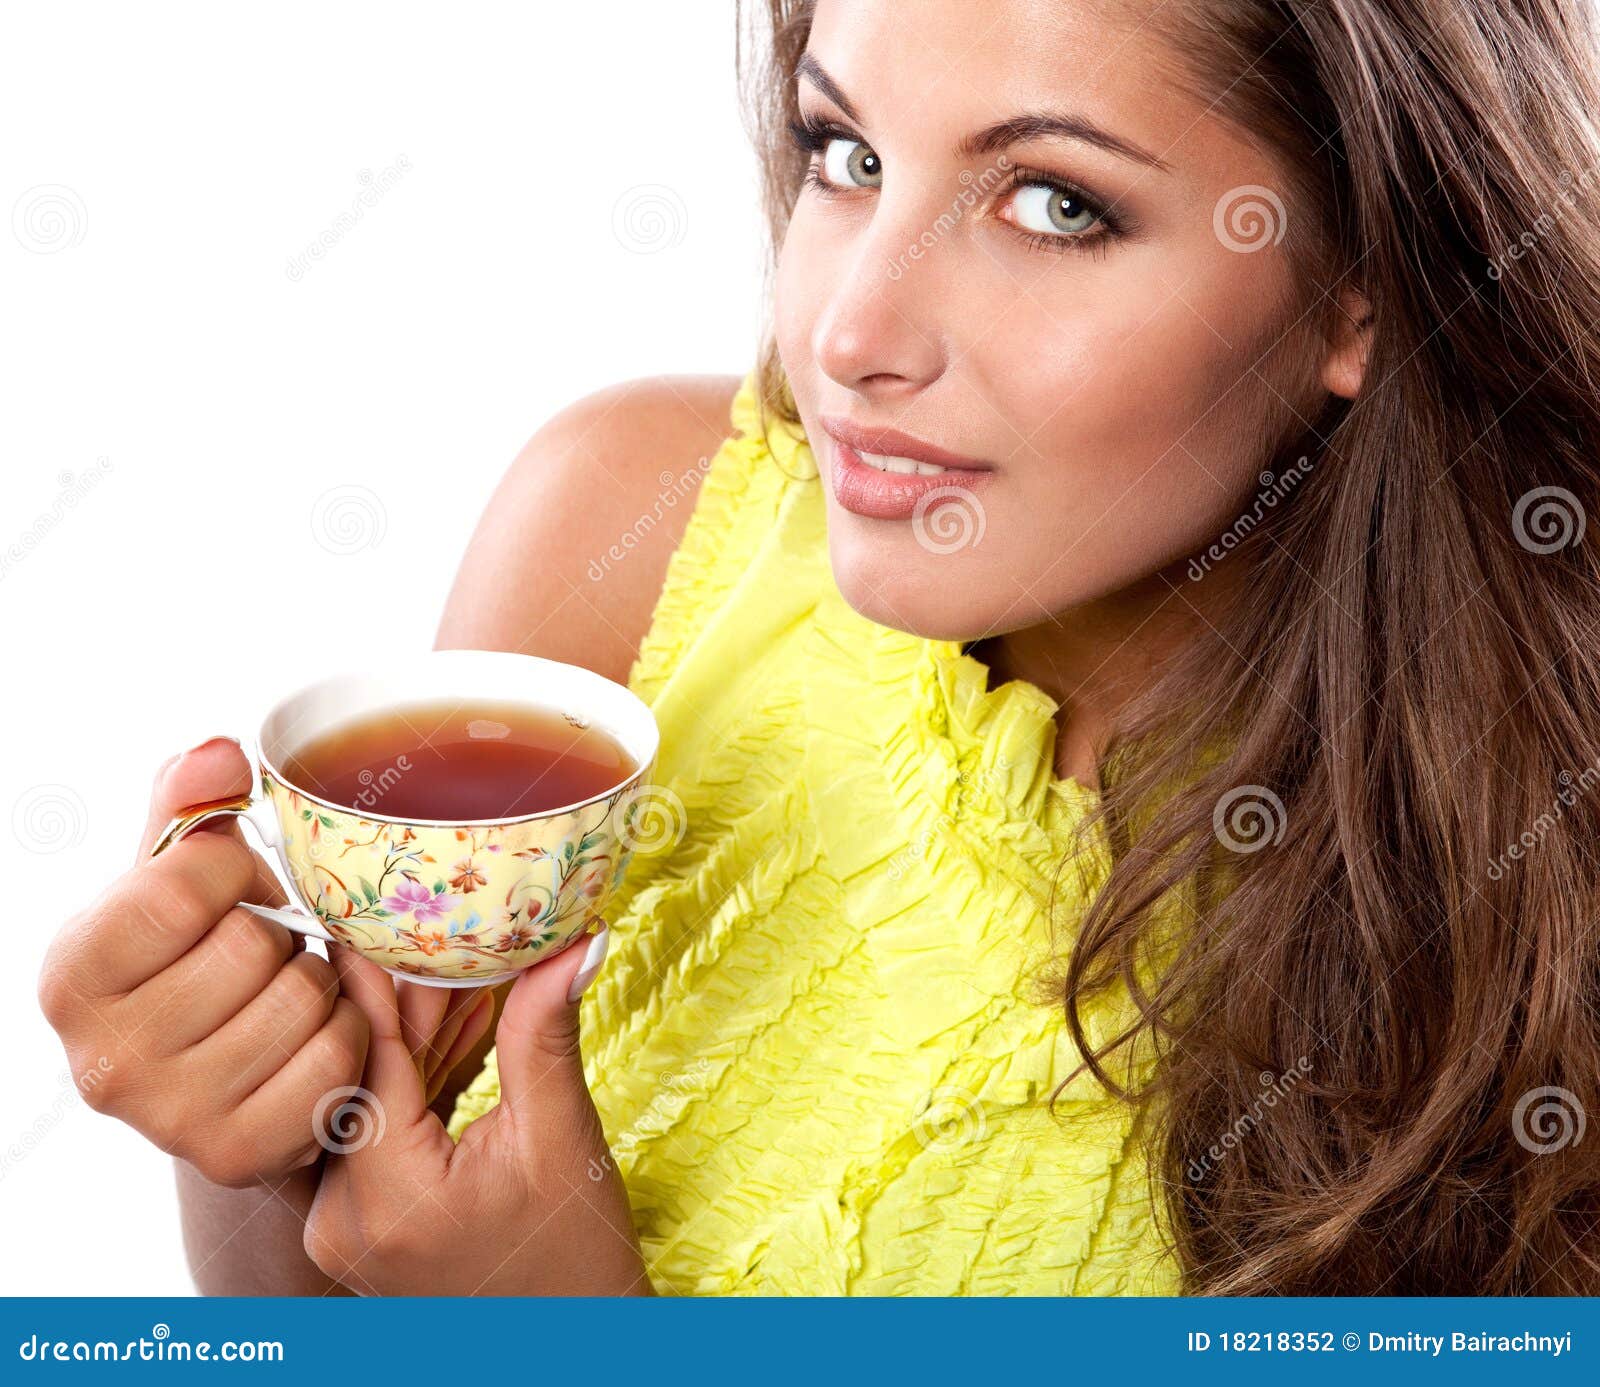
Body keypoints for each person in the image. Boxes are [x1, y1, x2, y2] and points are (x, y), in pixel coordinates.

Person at [40, 0, 1600, 1294]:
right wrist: (260, 1109)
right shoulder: (625, 544)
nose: (846, 332)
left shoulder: (1533, 857)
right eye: (844, 152)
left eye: (1055, 204)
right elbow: (323, 1297)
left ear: (1364, 293)